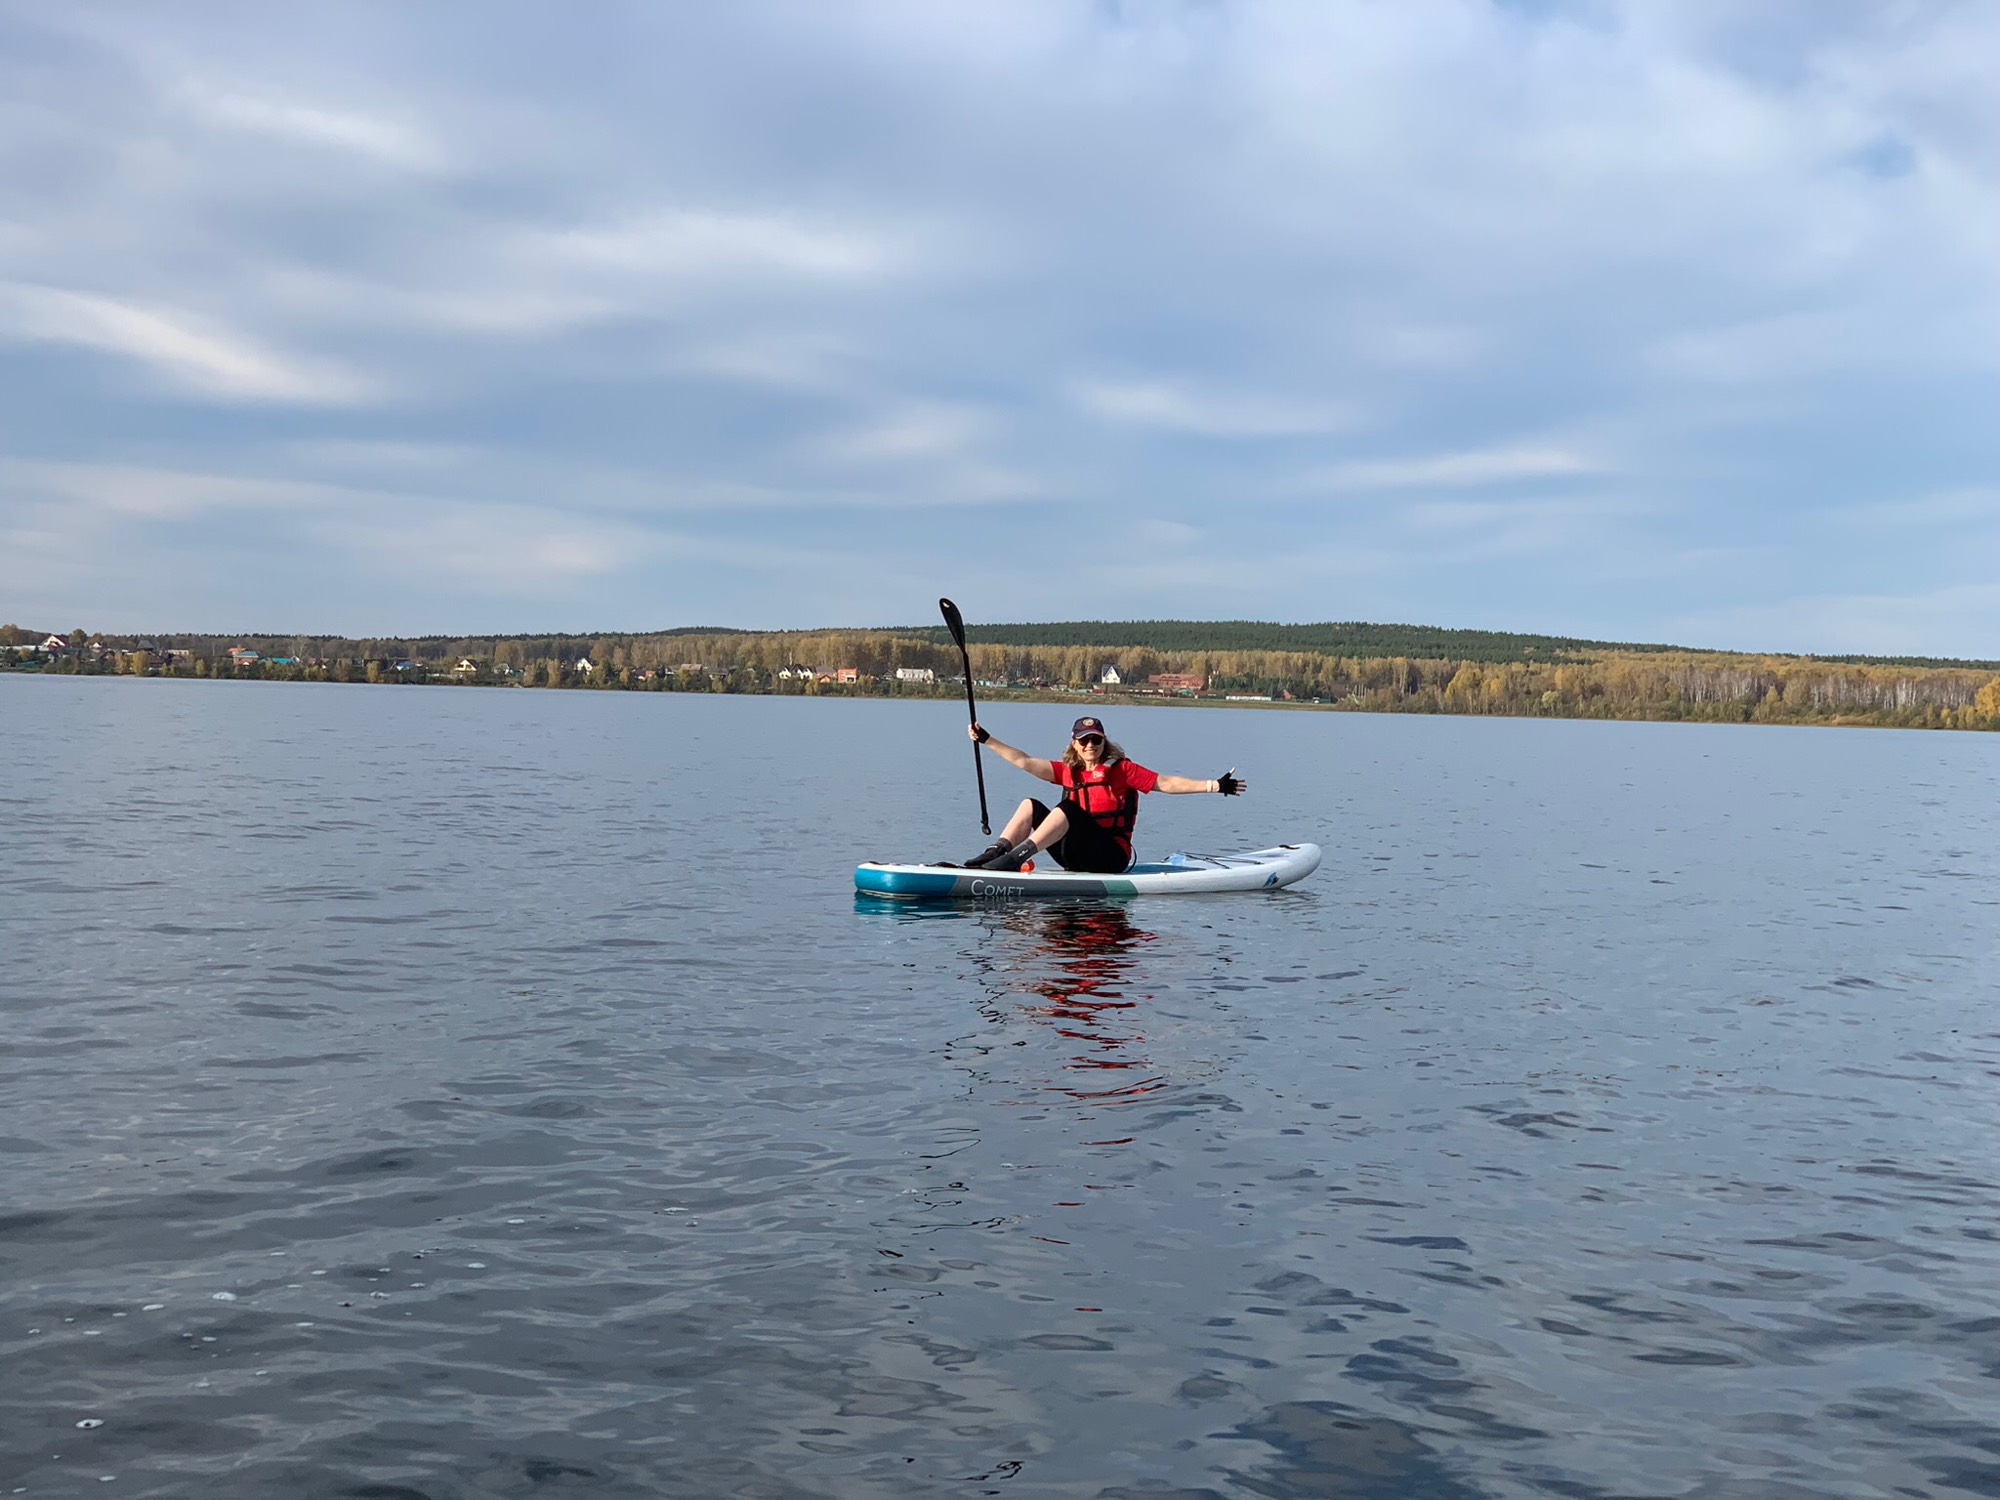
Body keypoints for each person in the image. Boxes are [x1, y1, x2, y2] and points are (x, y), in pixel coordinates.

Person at [958, 715, 1244, 872]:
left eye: (1095, 740)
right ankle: (994, 854)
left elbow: (1166, 783)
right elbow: (1024, 761)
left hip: (1111, 857)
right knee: (1029, 804)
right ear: (1075, 745)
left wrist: (1214, 785)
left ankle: (1014, 860)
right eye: (1084, 741)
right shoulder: (1069, 771)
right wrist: (987, 740)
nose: (1090, 745)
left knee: (1069, 808)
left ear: (1103, 742)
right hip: (1075, 855)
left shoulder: (1122, 771)